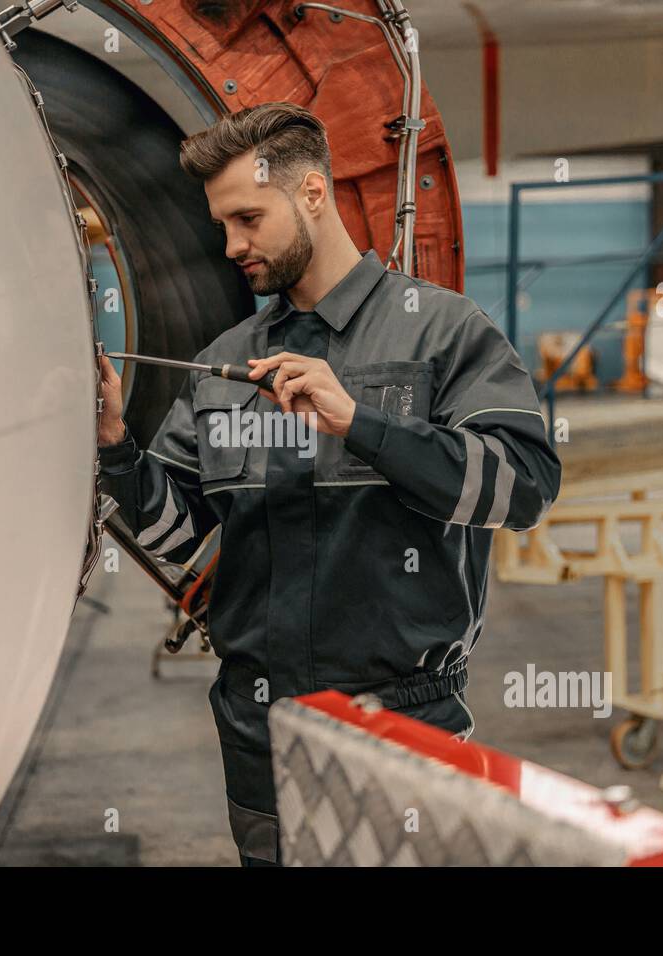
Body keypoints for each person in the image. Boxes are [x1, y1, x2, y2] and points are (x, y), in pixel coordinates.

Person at [97, 101, 561, 866]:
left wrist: (364, 426)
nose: (231, 245)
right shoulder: (228, 364)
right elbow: (187, 541)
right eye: (222, 225)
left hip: (404, 724)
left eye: (248, 217)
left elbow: (525, 488)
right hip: (257, 726)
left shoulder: (442, 333)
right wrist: (118, 450)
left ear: (313, 193)